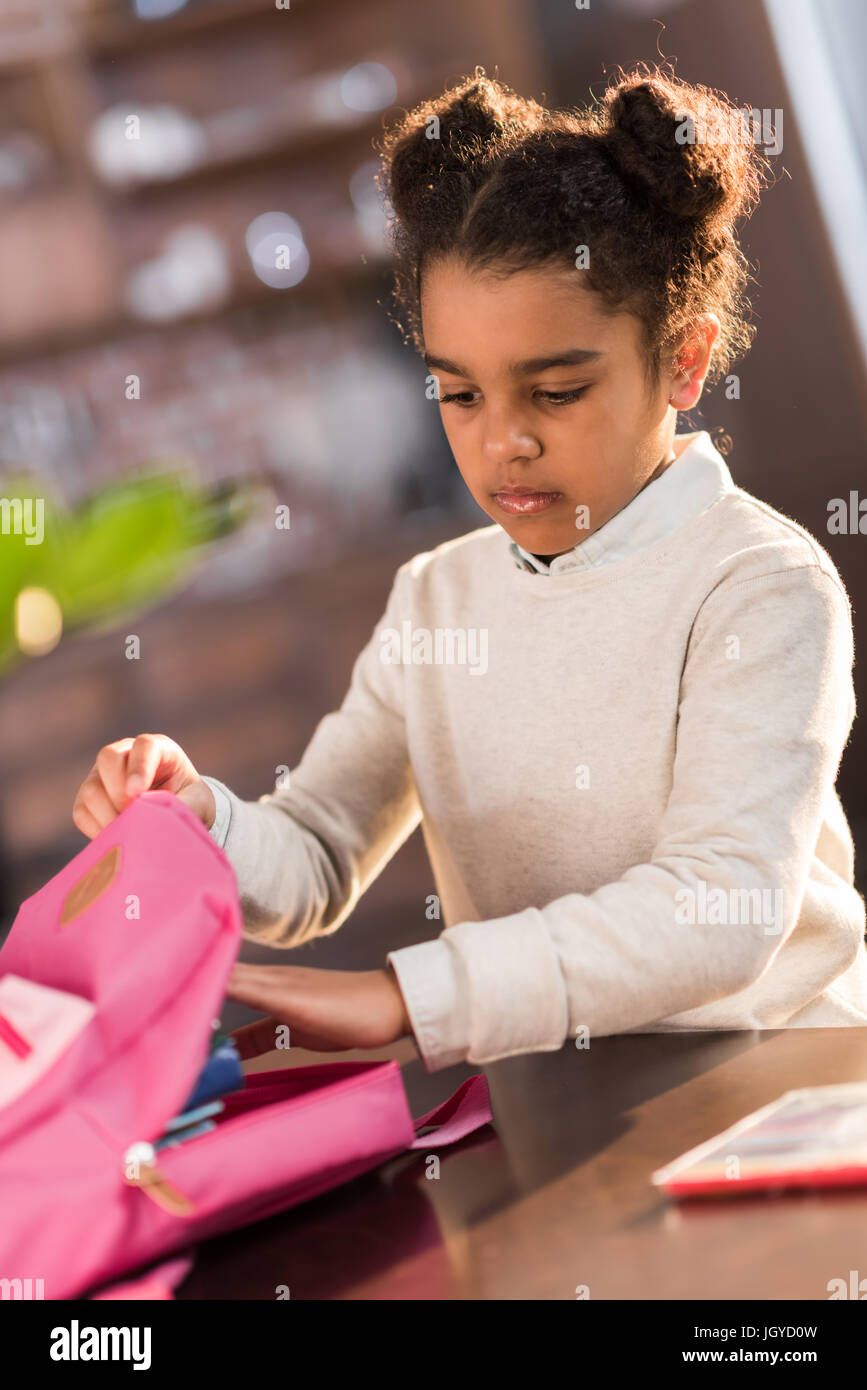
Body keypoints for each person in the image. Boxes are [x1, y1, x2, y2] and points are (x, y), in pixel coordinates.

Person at [72, 64, 867, 1071]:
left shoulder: (759, 584)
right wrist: (201, 822)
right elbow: (317, 851)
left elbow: (718, 909)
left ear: (686, 359)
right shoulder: (437, 599)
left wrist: (411, 995)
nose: (504, 445)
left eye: (558, 392)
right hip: (556, 1100)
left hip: (785, 1090)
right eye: (461, 396)